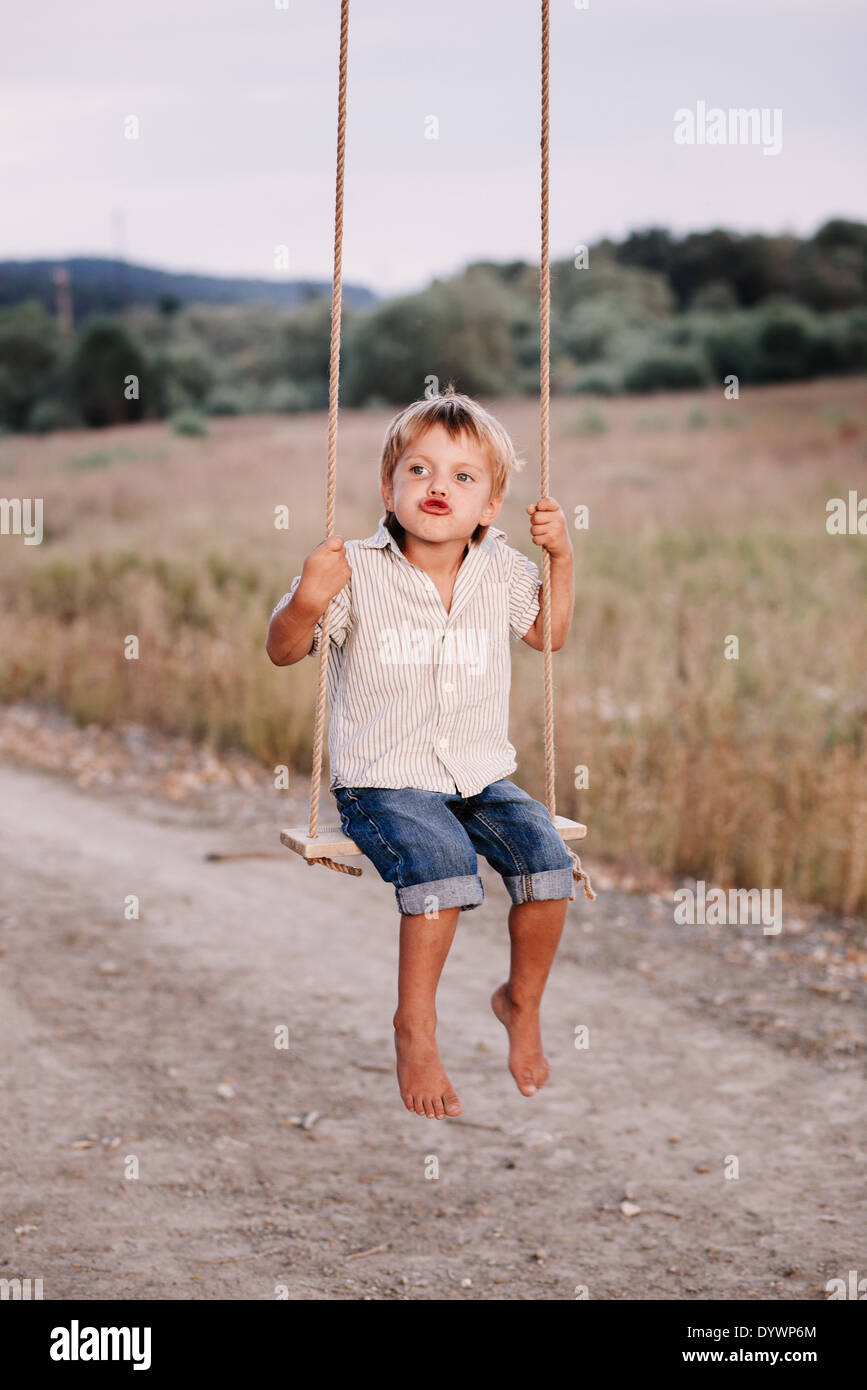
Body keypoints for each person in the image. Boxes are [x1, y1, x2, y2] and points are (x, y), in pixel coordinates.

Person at [266, 384, 583, 1119]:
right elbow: (283, 649)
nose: (438, 485)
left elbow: (549, 635)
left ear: (490, 505)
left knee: (548, 862)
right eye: (419, 470)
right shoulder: (352, 569)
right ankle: (415, 1027)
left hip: (478, 773)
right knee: (441, 864)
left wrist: (561, 557)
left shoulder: (502, 569)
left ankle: (521, 1001)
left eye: (463, 476)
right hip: (385, 781)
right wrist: (308, 598)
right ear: (389, 488)